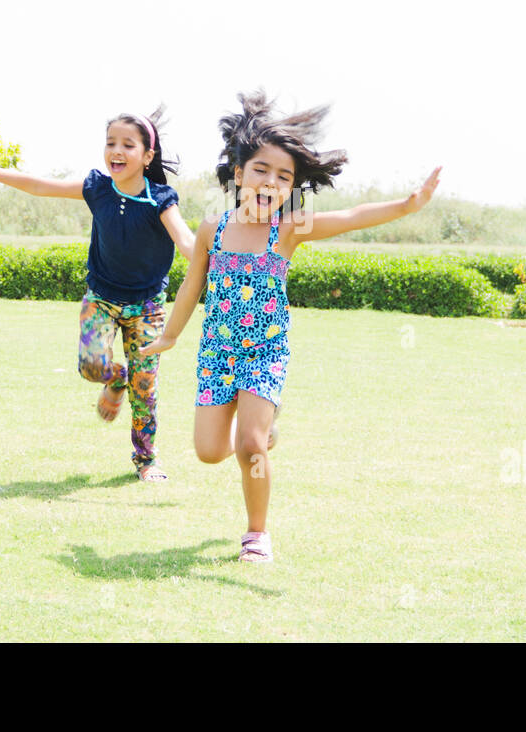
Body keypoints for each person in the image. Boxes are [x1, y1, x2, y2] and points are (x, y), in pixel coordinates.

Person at [144, 92, 441, 561]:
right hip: (217, 354)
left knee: (249, 445)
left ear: (291, 188)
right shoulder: (212, 228)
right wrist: (171, 334)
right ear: (239, 175)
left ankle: (256, 535)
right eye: (261, 170)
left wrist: (406, 205)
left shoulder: (289, 229)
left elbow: (350, 217)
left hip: (265, 352)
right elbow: (190, 287)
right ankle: (264, 435)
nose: (271, 182)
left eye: (284, 177)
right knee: (208, 451)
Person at [0, 108, 195, 482]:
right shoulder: (97, 187)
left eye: (128, 144)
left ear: (147, 156)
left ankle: (146, 461)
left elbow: (186, 241)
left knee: (144, 388)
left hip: (147, 307)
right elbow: (39, 185)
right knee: (90, 367)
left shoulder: (160, 199)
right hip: (101, 298)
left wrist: (218, 260)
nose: (116, 150)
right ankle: (115, 377)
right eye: (111, 142)